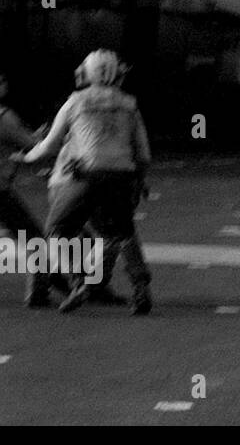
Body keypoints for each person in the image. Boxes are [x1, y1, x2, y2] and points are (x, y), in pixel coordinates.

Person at [13, 50, 153, 315]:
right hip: (121, 177)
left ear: (87, 72)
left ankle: (78, 282)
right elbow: (143, 153)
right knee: (123, 234)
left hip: (84, 176)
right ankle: (141, 288)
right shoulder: (130, 104)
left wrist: (26, 156)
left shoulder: (75, 102)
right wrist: (139, 180)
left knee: (56, 231)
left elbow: (49, 145)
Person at [0, 71, 74, 307]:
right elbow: (32, 145)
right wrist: (46, 137)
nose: (5, 83)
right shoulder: (4, 117)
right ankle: (39, 292)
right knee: (33, 239)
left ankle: (60, 283)